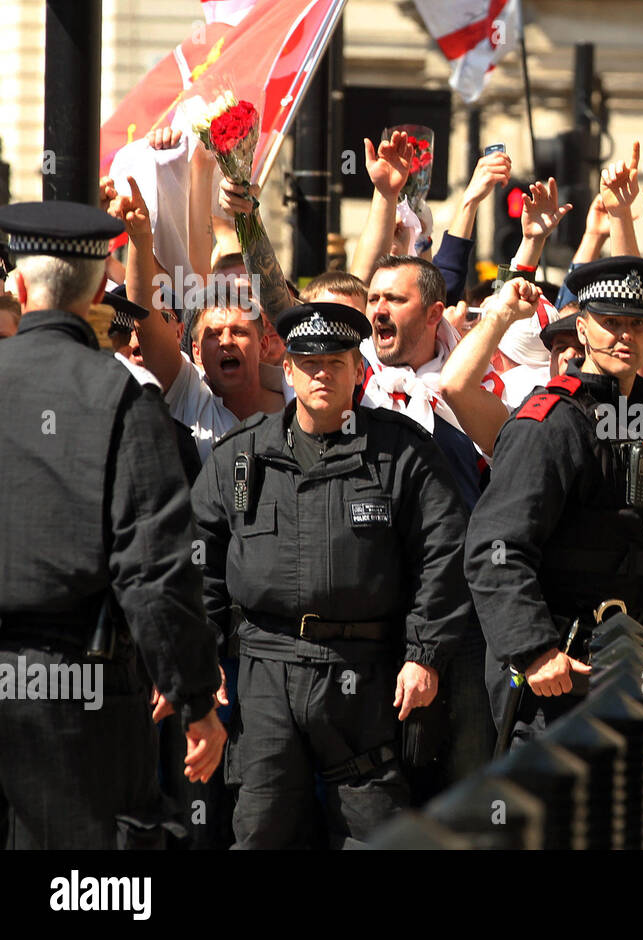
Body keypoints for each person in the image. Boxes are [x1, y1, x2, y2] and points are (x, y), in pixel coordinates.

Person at [190, 301, 476, 848]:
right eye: (309, 362)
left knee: (377, 833)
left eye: (337, 362)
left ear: (359, 370)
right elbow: (197, 560)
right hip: (265, 671)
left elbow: (444, 554)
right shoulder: (242, 456)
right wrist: (203, 656)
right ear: (289, 369)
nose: (322, 373)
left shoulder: (402, 453)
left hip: (366, 678)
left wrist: (425, 655)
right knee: (261, 829)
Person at [0, 201, 226, 849]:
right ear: (102, 292)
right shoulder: (121, 396)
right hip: (78, 695)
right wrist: (196, 700)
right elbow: (156, 572)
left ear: (19, 286)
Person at [463, 257, 643, 747]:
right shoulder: (549, 421)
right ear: (584, 326)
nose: (624, 336)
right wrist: (532, 649)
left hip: (632, 660)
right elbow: (495, 549)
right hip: (559, 667)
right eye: (611, 322)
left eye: (638, 323)